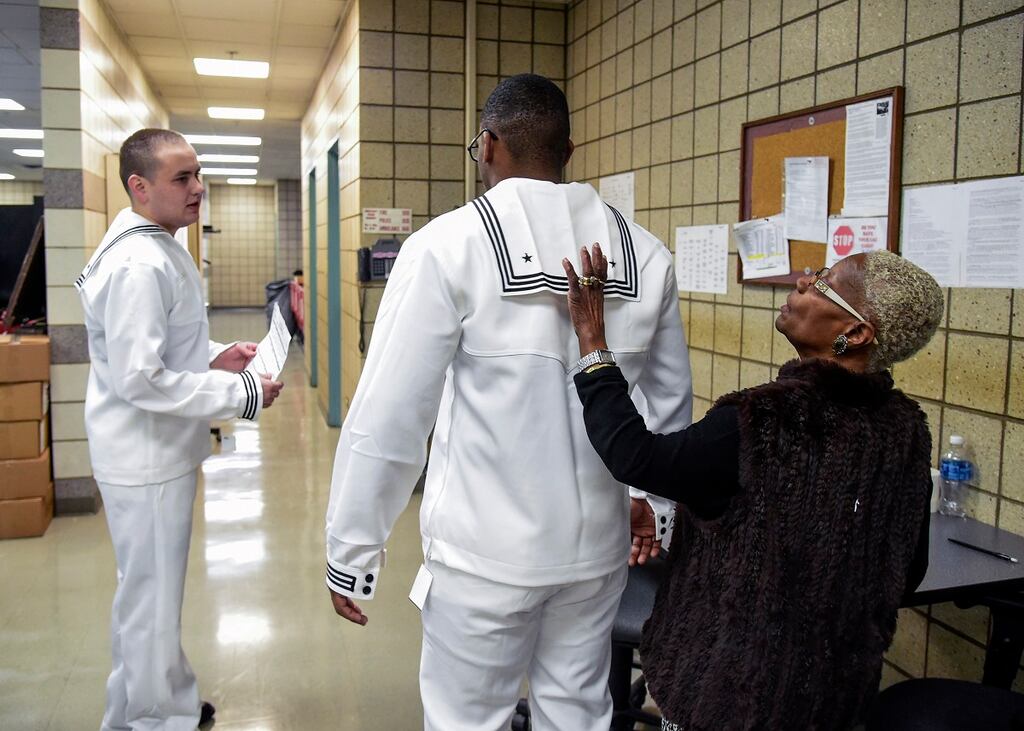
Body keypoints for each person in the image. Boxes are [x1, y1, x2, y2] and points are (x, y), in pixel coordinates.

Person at [324, 74, 692, 731]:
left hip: (482, 558)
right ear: (569, 150)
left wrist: (352, 553)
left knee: (468, 719)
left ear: (488, 147)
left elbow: (390, 418)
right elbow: (668, 409)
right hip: (594, 555)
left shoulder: (447, 247)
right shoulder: (649, 257)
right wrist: (652, 507)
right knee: (578, 713)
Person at [563, 246, 943, 730]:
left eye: (823, 282)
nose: (804, 282)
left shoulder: (765, 421)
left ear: (855, 333)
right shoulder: (905, 431)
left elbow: (634, 455)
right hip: (833, 700)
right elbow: (906, 569)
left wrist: (593, 342)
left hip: (726, 697)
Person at [75, 128, 283, 731]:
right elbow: (140, 378)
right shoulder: (141, 262)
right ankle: (154, 719)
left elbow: (157, 346)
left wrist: (216, 355)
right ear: (140, 188)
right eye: (181, 179)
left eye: (197, 175)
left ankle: (152, 704)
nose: (197, 190)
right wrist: (240, 392)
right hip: (145, 457)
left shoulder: (150, 243)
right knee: (151, 600)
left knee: (145, 595)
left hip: (148, 452)